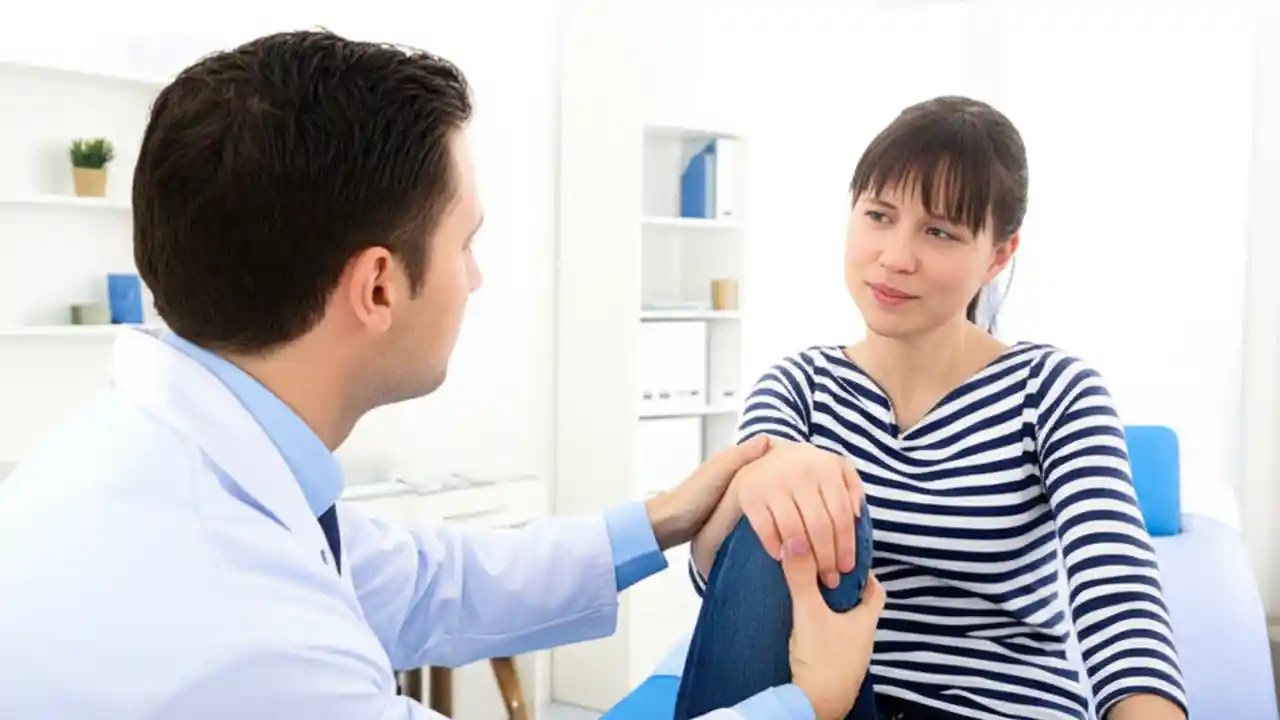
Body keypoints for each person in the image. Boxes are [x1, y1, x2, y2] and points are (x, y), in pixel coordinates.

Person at [0, 30, 882, 720]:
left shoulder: (167, 453)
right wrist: (808, 702)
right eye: (466, 243)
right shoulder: (238, 635)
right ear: (379, 284)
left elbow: (426, 577)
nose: (476, 277)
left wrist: (660, 521)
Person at [678, 96, 1189, 720]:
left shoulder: (1052, 390)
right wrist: (768, 477)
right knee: (786, 495)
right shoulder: (799, 384)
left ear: (999, 254)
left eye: (939, 231)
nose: (896, 256)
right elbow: (723, 584)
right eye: (878, 216)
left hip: (997, 707)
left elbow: (1118, 594)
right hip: (820, 701)